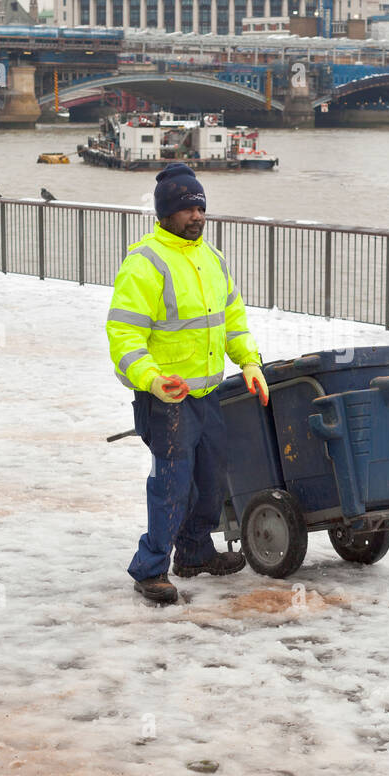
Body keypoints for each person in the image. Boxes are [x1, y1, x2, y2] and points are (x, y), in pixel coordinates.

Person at [106, 162, 269, 605]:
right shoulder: (144, 262)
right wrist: (152, 380)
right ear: (164, 214)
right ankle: (151, 567)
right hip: (166, 401)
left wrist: (250, 363)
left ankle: (195, 553)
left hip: (207, 396)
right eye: (186, 209)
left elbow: (232, 320)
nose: (196, 216)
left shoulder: (212, 258)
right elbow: (123, 336)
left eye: (200, 208)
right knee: (172, 486)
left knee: (212, 481)